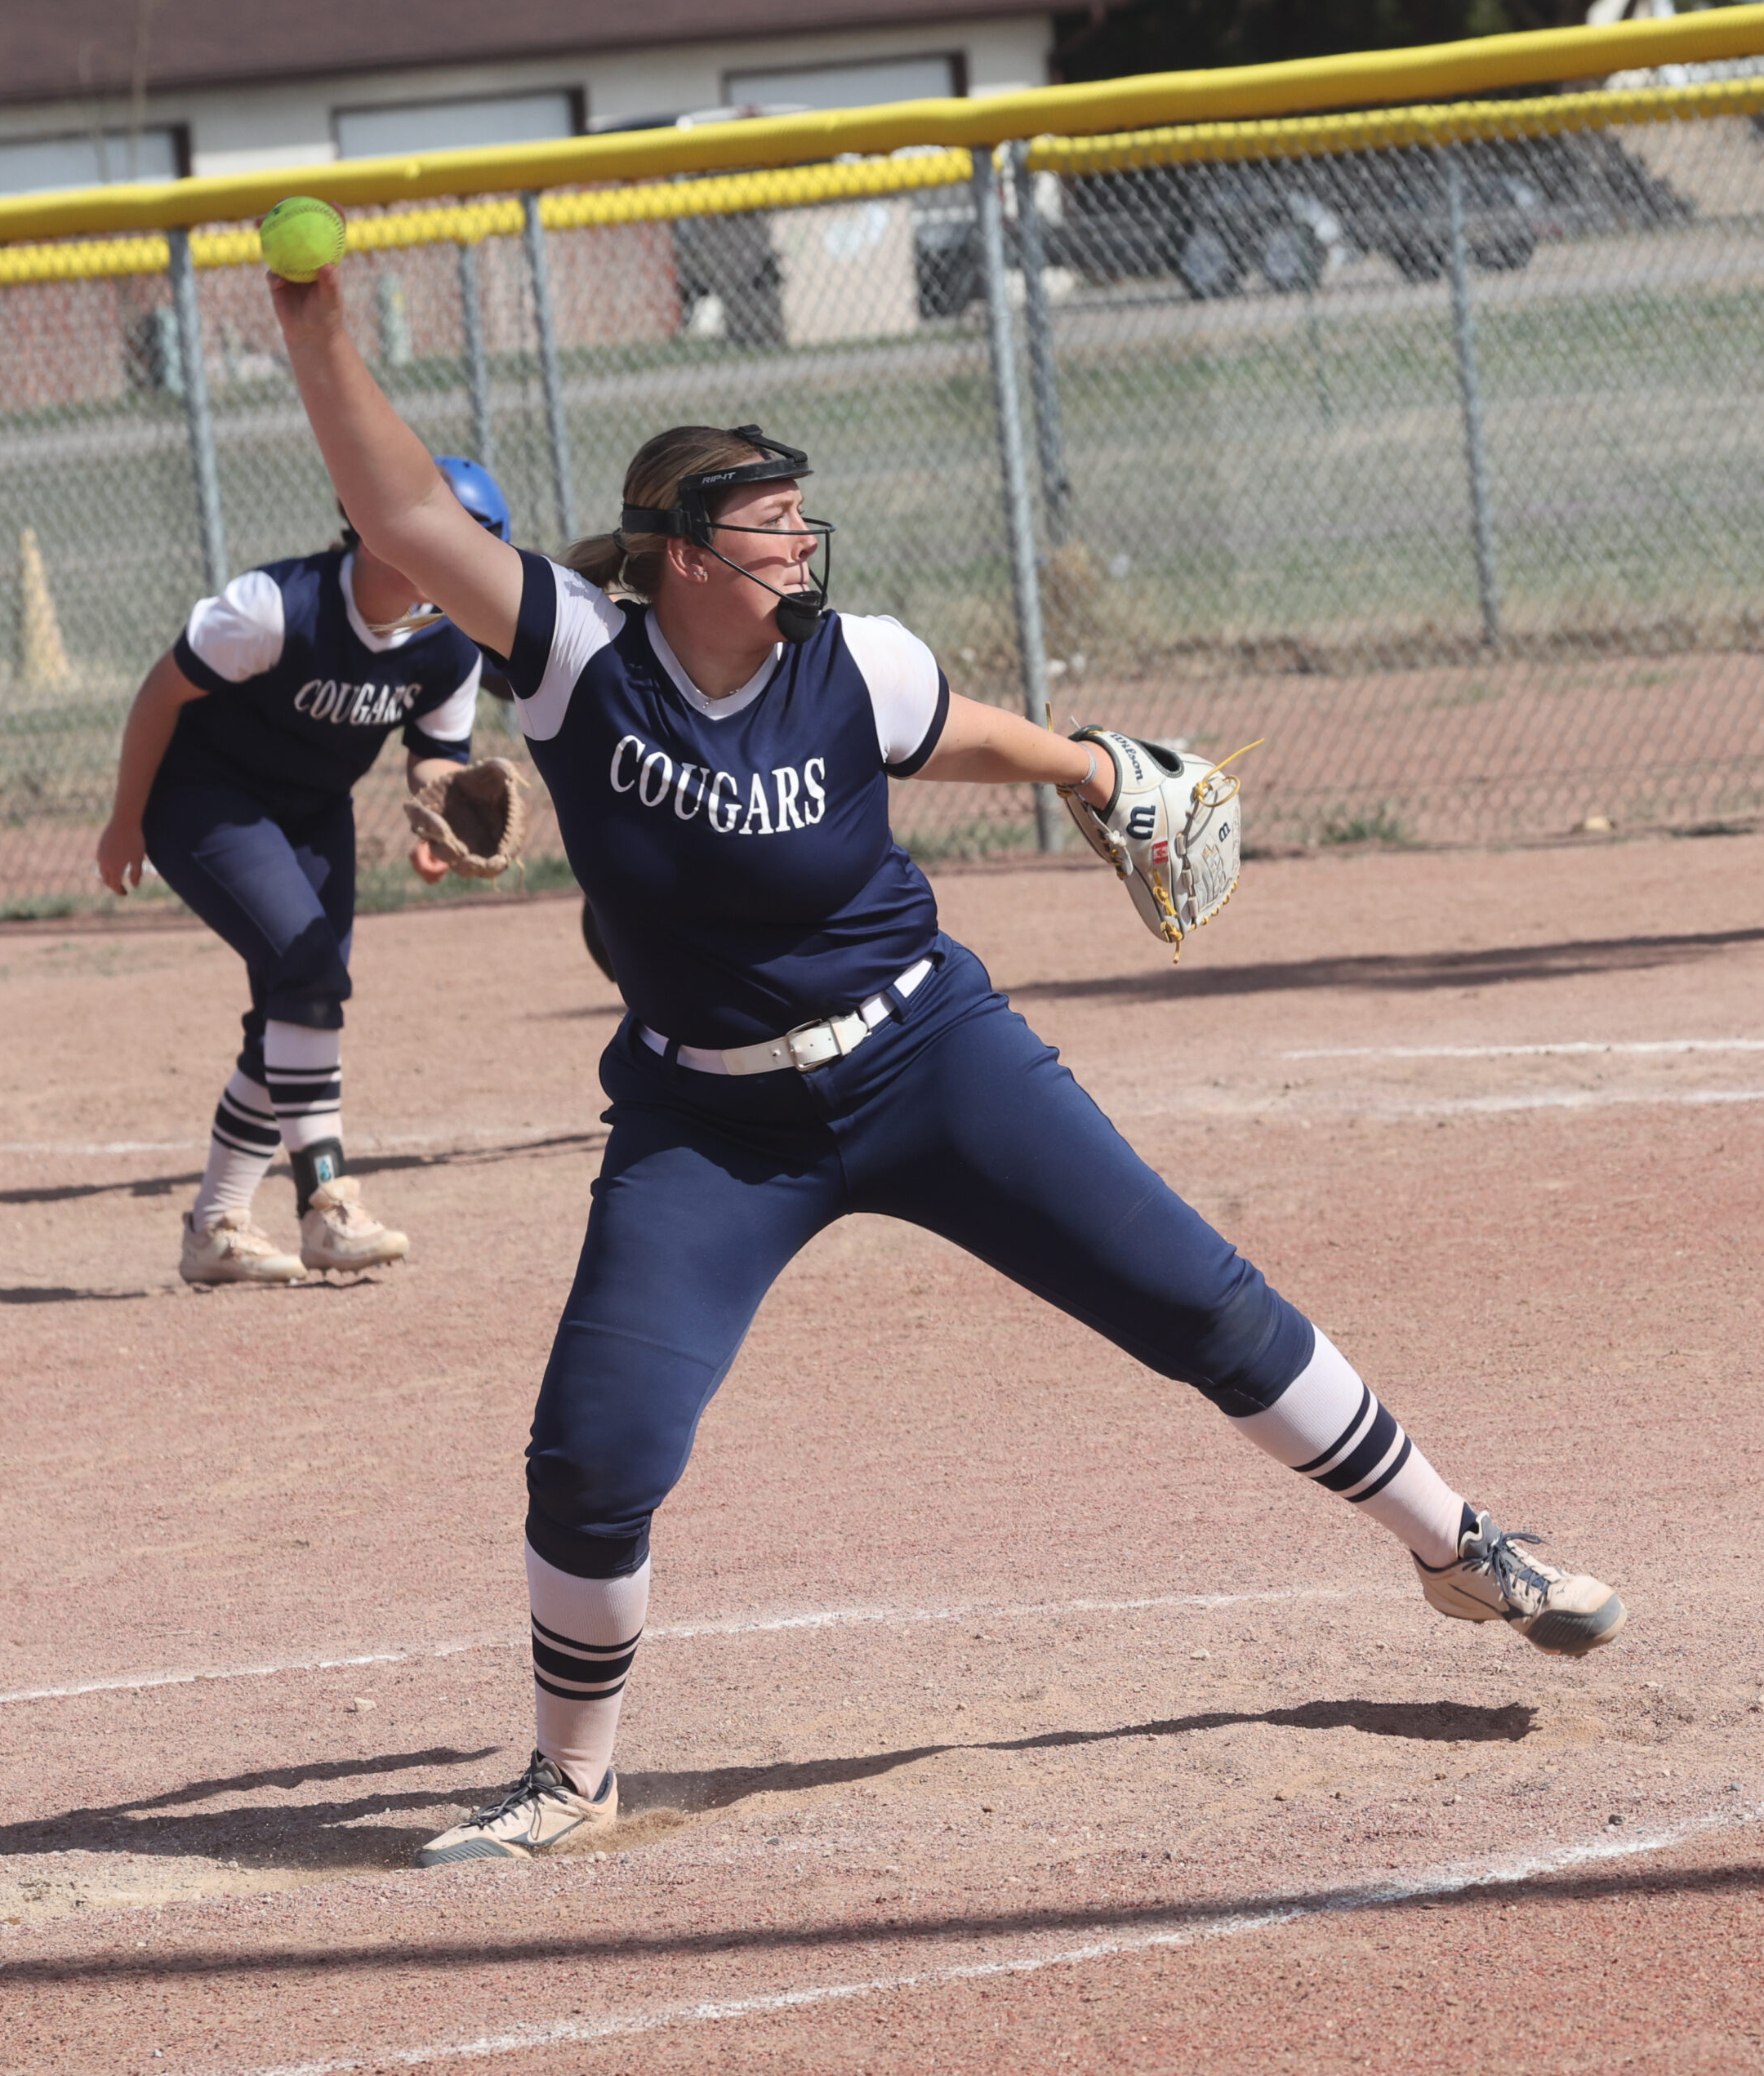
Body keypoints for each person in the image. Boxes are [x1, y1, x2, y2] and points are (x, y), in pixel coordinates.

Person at [270, 265, 1627, 1865]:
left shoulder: (858, 664)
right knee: (594, 1450)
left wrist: (1086, 763)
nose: (802, 539)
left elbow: (962, 728)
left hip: (928, 1054)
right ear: (688, 552)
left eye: (801, 515)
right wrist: (317, 325)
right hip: (708, 1119)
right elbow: (404, 505)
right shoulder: (579, 657)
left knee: (1201, 1299)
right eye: (769, 519)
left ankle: (1461, 1545)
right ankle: (575, 1774)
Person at [96, 457, 512, 1285]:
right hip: (204, 800)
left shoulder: (448, 645)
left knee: (303, 1000)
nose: (461, 564)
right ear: (379, 529)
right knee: (309, 969)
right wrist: (124, 819)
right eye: (443, 538)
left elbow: (434, 755)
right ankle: (327, 1206)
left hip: (314, 815)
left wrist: (443, 818)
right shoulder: (276, 607)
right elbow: (159, 695)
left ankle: (215, 1228)